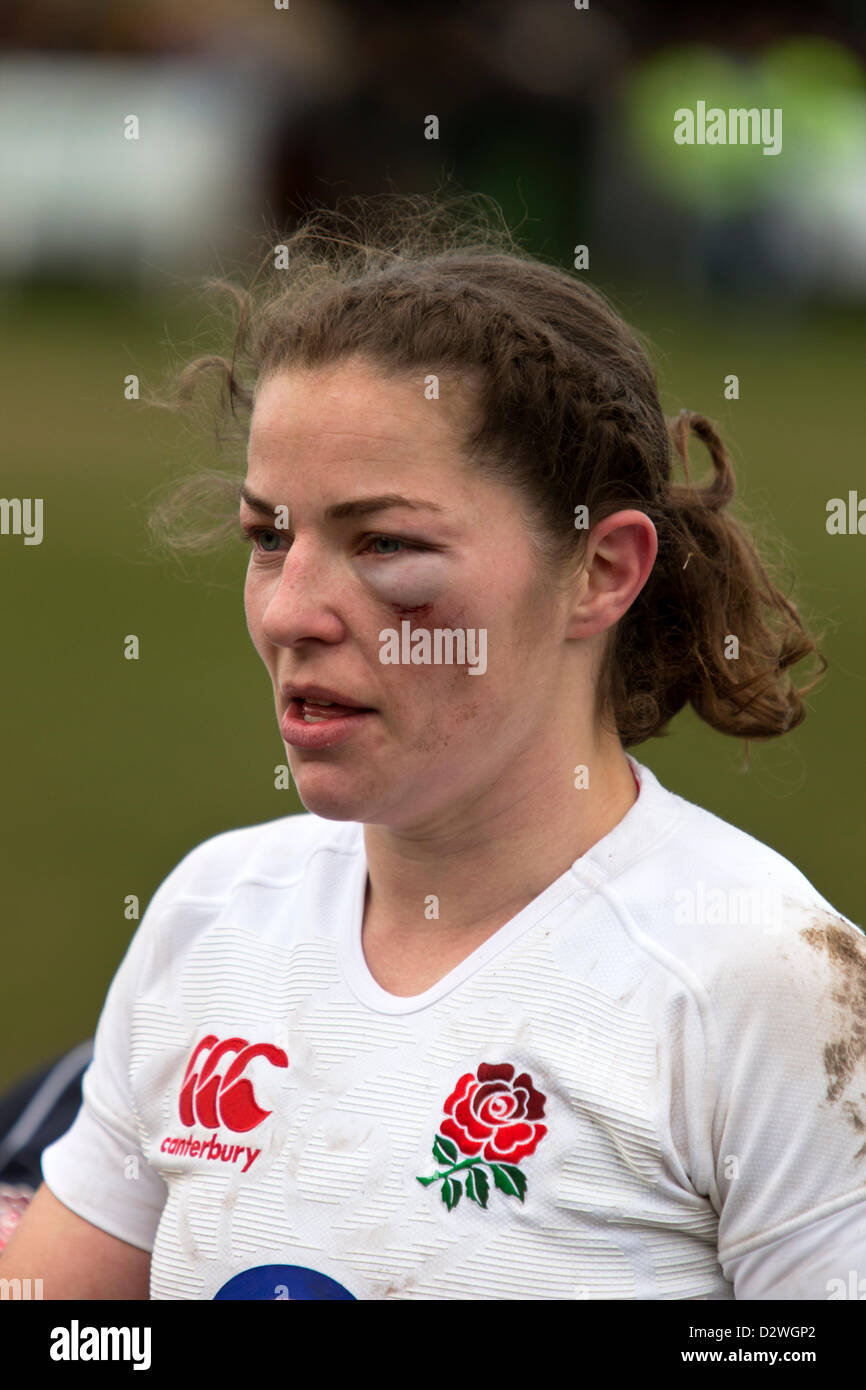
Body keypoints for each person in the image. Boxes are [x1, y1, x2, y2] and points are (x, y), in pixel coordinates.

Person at [2, 193, 864, 1301]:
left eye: (386, 543)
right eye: (271, 535)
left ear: (601, 570)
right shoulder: (213, 913)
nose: (291, 611)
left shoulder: (765, 979)